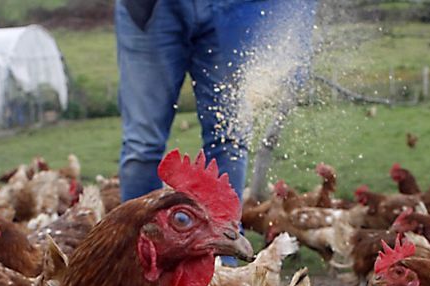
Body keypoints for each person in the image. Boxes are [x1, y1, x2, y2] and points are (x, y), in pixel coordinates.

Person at [116, 0, 316, 204]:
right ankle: (135, 234)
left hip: (232, 8)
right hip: (151, 8)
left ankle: (225, 234)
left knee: (229, 135)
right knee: (142, 145)